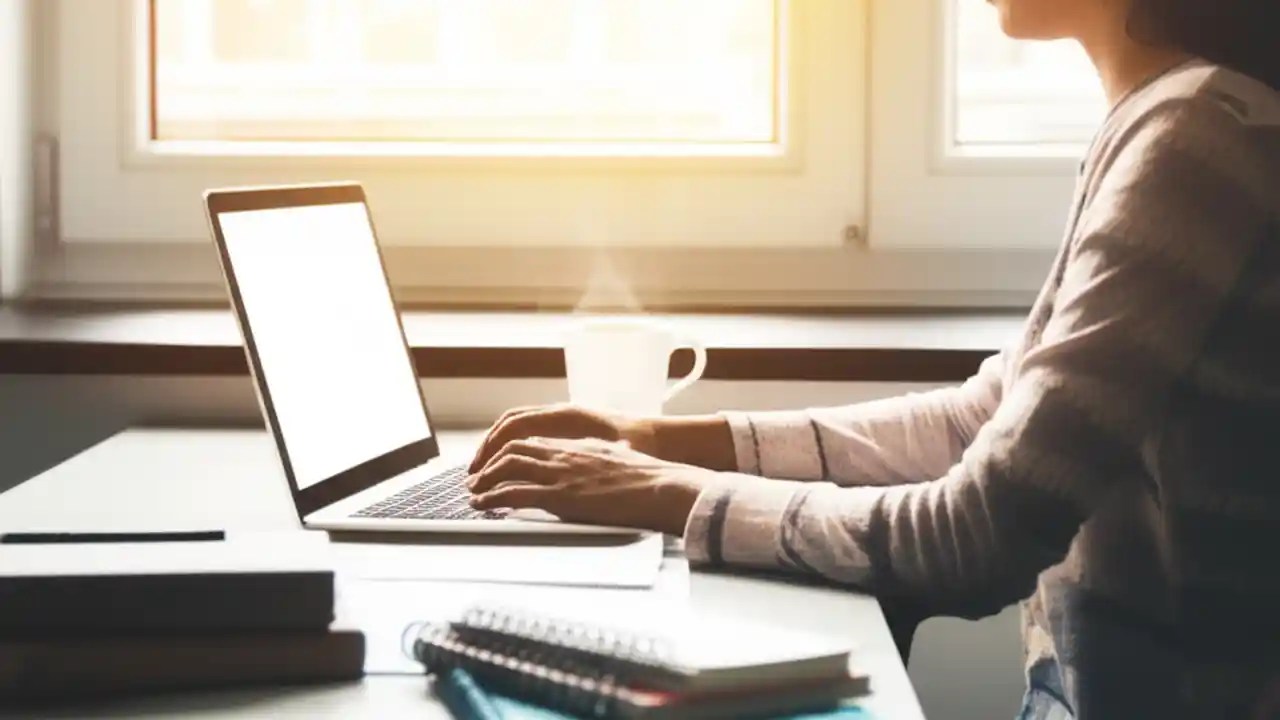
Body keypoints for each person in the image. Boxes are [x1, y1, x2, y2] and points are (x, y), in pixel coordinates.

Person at [465, 0, 1280, 717]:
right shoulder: (1171, 117)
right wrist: (658, 438)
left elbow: (981, 534)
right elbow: (980, 418)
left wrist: (674, 496)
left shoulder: (1194, 142)